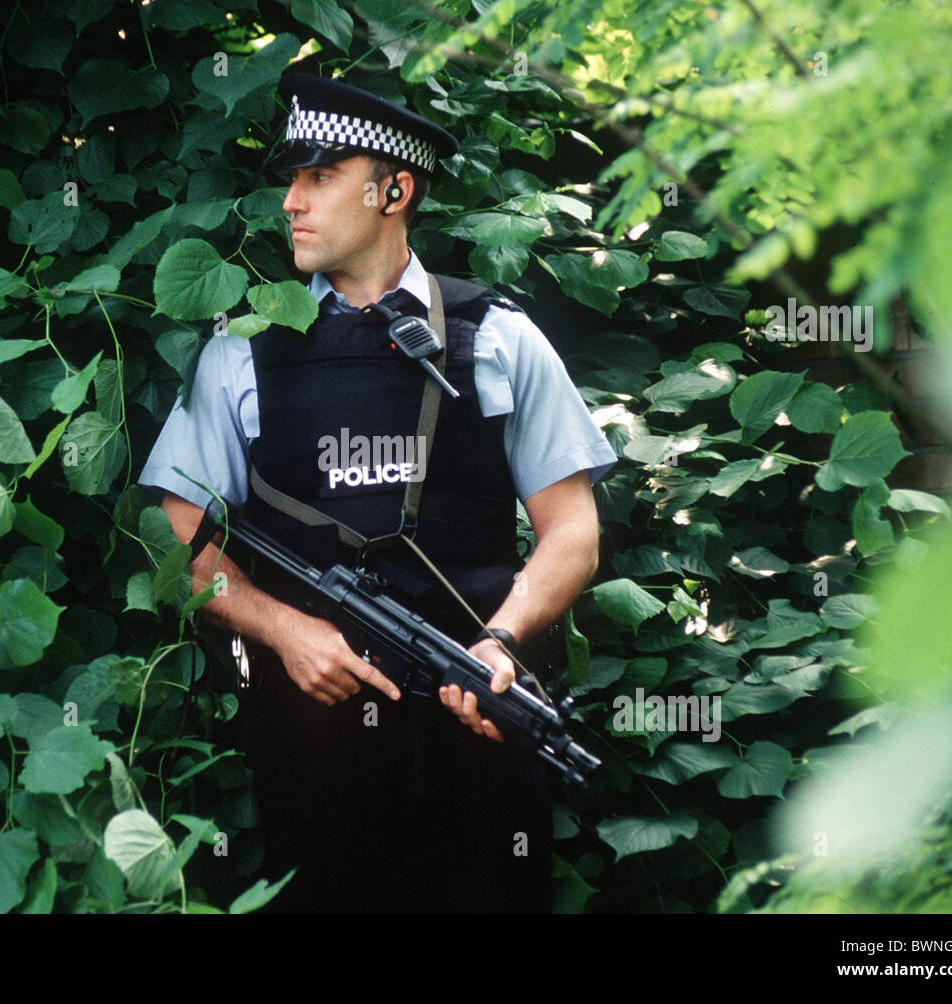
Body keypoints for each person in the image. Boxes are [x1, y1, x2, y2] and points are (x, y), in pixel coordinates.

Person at [138, 74, 618, 912]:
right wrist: (285, 629)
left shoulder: (497, 338)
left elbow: (573, 530)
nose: (291, 201)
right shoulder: (241, 354)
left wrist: (499, 643)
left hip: (482, 731)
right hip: (315, 758)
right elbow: (177, 544)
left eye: (318, 176)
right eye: (291, 178)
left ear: (393, 189)